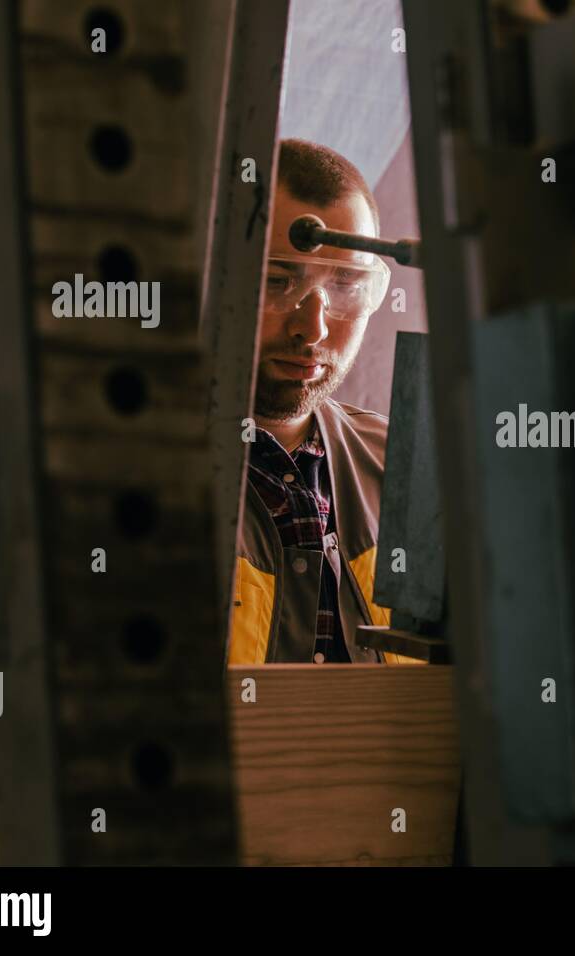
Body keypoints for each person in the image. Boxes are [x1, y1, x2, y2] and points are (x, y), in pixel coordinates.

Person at [228, 138, 411, 665]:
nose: (314, 327)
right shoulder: (125, 470)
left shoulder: (398, 469)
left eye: (348, 285)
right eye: (278, 282)